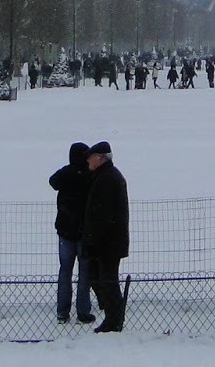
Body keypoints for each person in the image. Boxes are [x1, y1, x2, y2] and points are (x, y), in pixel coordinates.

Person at [83, 141, 128, 332]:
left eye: (91, 157)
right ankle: (113, 316)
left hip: (108, 242)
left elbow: (104, 214)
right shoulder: (104, 176)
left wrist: (94, 238)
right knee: (101, 277)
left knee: (107, 279)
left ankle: (114, 319)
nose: (87, 161)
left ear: (100, 158)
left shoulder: (107, 179)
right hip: (108, 240)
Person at [48, 142, 96, 324]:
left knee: (65, 271)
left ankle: (62, 311)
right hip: (84, 232)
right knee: (84, 273)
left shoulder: (65, 174)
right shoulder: (90, 175)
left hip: (65, 231)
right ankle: (83, 311)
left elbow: (53, 181)